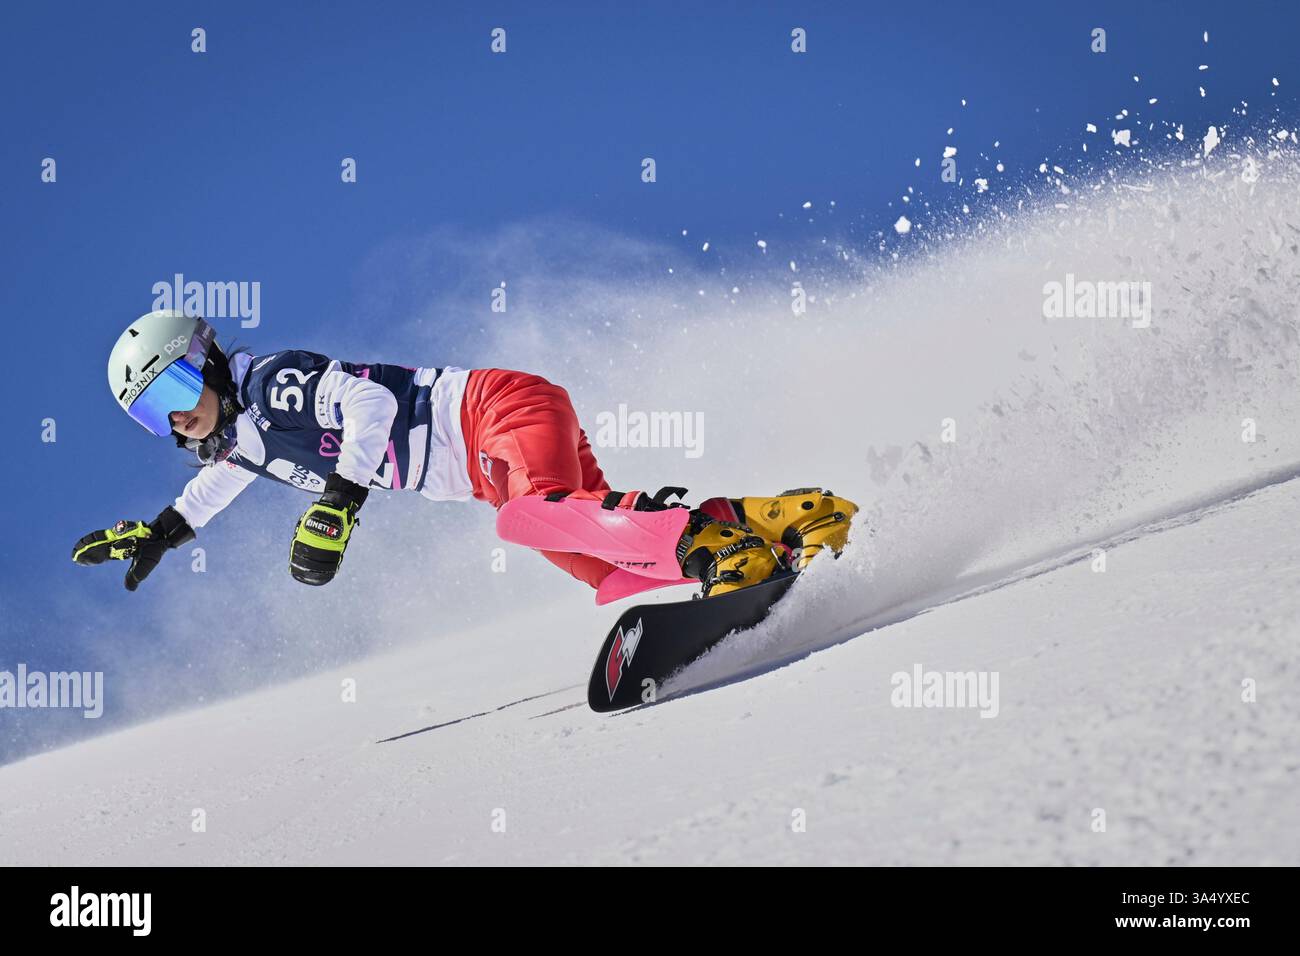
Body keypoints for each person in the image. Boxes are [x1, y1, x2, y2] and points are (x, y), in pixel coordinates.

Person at [72, 311, 857, 603]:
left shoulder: (272, 382)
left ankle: (716, 551)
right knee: (602, 566)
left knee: (526, 519)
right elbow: (217, 486)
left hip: (492, 410)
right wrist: (160, 533)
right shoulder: (245, 441)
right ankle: (768, 524)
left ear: (204, 361)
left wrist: (341, 501)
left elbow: (369, 404)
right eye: (150, 413)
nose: (176, 417)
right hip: (489, 462)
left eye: (173, 385)